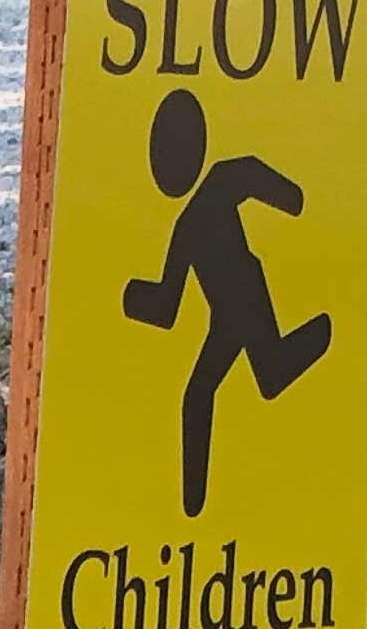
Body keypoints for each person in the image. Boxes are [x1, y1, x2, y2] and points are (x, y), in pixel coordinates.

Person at [122, 88, 332, 515]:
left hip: (246, 296)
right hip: (227, 312)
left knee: (250, 379)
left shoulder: (217, 183)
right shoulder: (184, 226)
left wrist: (292, 198)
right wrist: (133, 297)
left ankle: (317, 336)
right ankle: (192, 507)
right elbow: (168, 306)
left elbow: (251, 173)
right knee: (217, 390)